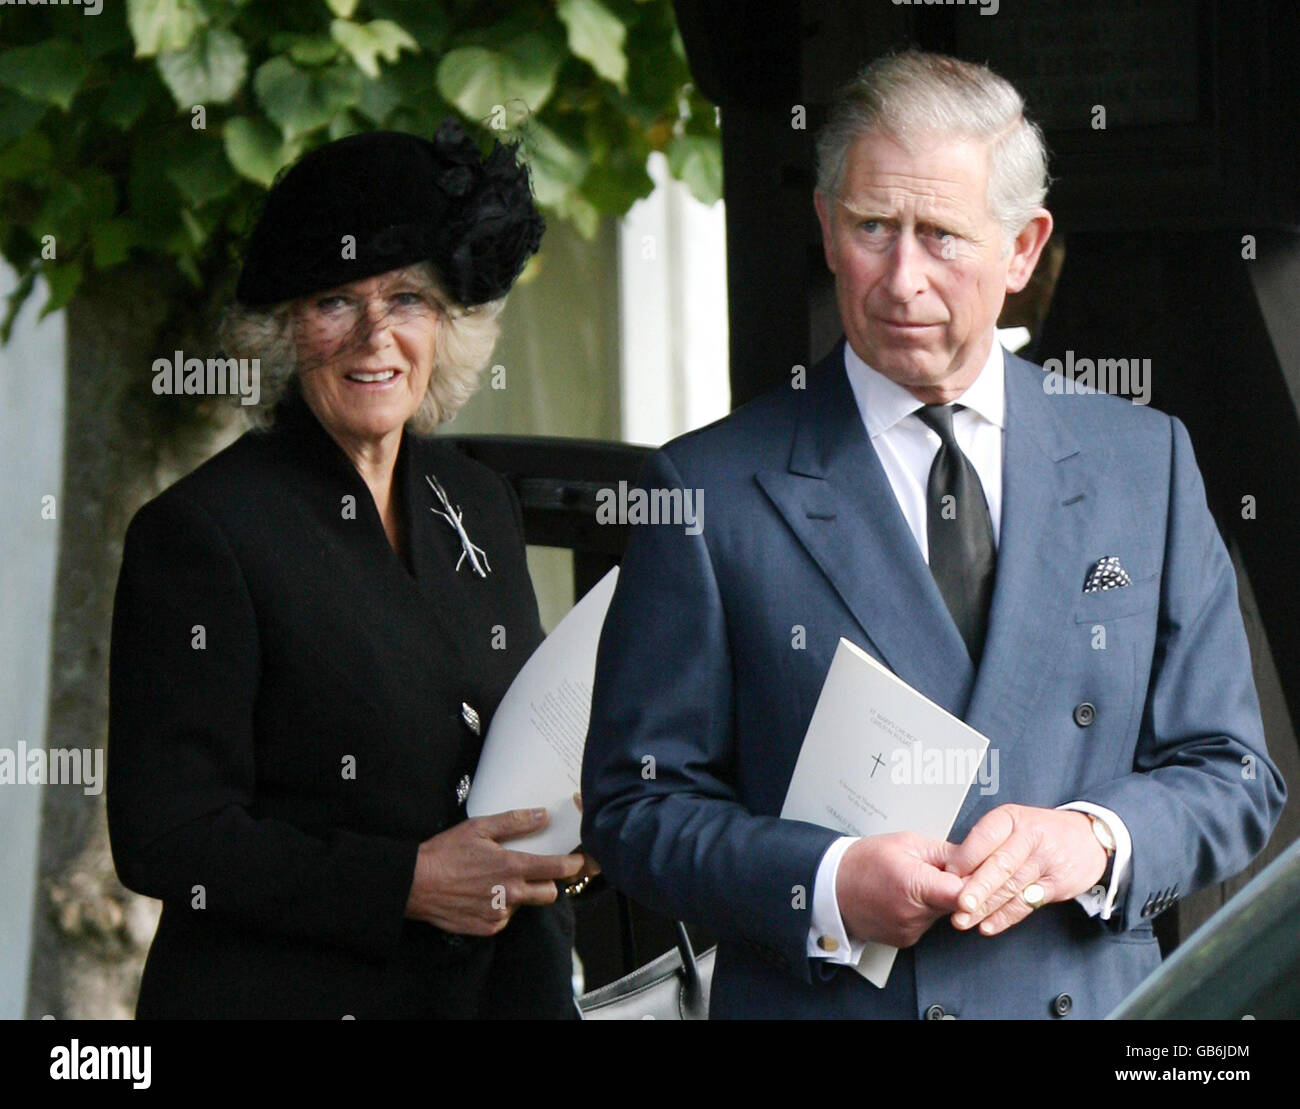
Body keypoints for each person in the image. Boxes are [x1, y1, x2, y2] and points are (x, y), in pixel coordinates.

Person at [580, 52, 1287, 1019]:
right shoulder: (707, 488)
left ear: (1024, 248)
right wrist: (824, 881)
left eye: (942, 235)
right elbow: (636, 807)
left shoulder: (1145, 462)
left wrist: (1097, 838)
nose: (902, 278)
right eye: (873, 227)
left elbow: (1233, 773)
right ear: (827, 229)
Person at [107, 122, 589, 1019]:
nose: (375, 335)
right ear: (285, 329)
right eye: (337, 300)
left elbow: (501, 736)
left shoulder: (478, 500)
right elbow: (166, 836)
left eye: (407, 297)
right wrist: (403, 881)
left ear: (448, 323)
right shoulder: (201, 532)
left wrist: (572, 821)